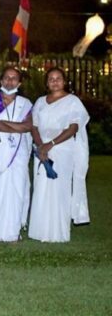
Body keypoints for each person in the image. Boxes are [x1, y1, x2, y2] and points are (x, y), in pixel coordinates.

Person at [29, 67, 90, 242]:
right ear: (47, 83)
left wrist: (51, 144)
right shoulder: (40, 101)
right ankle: (39, 230)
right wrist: (41, 146)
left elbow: (73, 127)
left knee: (59, 187)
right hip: (42, 150)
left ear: (64, 81)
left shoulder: (73, 101)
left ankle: (58, 232)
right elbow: (33, 126)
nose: (55, 82)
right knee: (41, 187)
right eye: (51, 79)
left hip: (62, 149)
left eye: (58, 78)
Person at [0, 67, 33, 242]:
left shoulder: (25, 103)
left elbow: (28, 127)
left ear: (19, 83)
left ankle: (12, 231)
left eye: (14, 78)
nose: (10, 81)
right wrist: (16, 127)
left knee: (16, 188)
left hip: (18, 152)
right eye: (6, 77)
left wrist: (4, 124)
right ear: (1, 80)